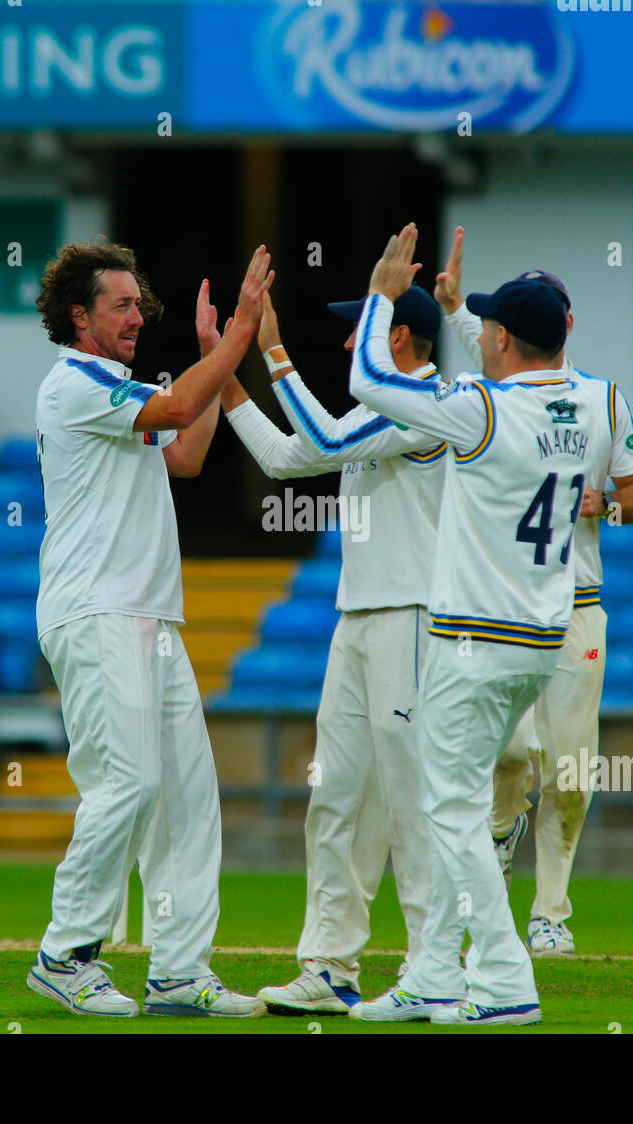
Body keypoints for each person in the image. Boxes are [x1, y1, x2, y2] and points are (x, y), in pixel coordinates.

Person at [345, 224, 616, 1027]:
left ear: (500, 339)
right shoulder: (589, 407)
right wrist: (461, 315)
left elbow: (367, 381)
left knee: (451, 814)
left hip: (476, 638)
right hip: (538, 637)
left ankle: (501, 982)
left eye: (489, 328)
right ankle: (432, 977)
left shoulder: (481, 409)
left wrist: (380, 296)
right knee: (457, 805)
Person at [25, 237, 273, 1019]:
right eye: (121, 306)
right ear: (79, 315)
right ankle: (66, 953)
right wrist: (239, 334)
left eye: (139, 304)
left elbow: (184, 454)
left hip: (150, 615)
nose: (138, 317)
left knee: (188, 798)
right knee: (126, 782)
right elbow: (174, 409)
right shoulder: (73, 384)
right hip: (97, 609)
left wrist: (216, 357)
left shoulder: (116, 388)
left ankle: (177, 971)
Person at [222, 285, 445, 1014]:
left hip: (414, 617)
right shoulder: (372, 411)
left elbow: (316, 443)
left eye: (362, 332)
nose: (351, 344)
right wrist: (223, 375)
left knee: (412, 798)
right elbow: (291, 459)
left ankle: (430, 969)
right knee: (337, 797)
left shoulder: (432, 405)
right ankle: (329, 966)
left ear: (401, 336)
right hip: (357, 620)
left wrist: (272, 348)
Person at [434, 227, 633, 958]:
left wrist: (606, 506)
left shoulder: (601, 400)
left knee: (570, 768)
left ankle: (550, 910)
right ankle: (498, 834)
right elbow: (482, 340)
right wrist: (451, 303)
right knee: (503, 755)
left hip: (577, 603)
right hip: (504, 604)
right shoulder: (503, 387)